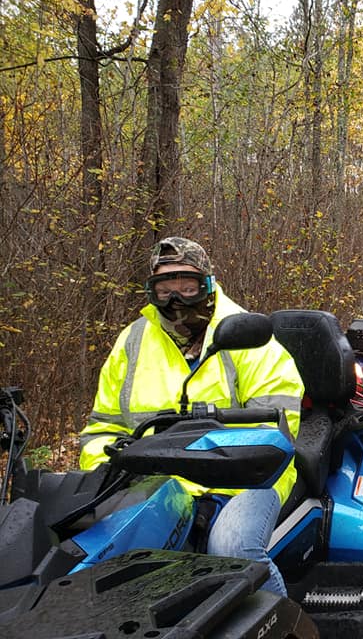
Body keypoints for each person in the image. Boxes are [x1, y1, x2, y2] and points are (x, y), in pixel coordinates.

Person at [79, 237, 303, 596]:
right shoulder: (132, 341)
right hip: (152, 487)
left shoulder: (246, 335)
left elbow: (276, 427)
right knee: (99, 560)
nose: (176, 299)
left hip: (246, 480)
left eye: (187, 286)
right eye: (165, 288)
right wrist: (109, 470)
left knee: (233, 550)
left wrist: (206, 463)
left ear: (208, 284)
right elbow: (102, 429)